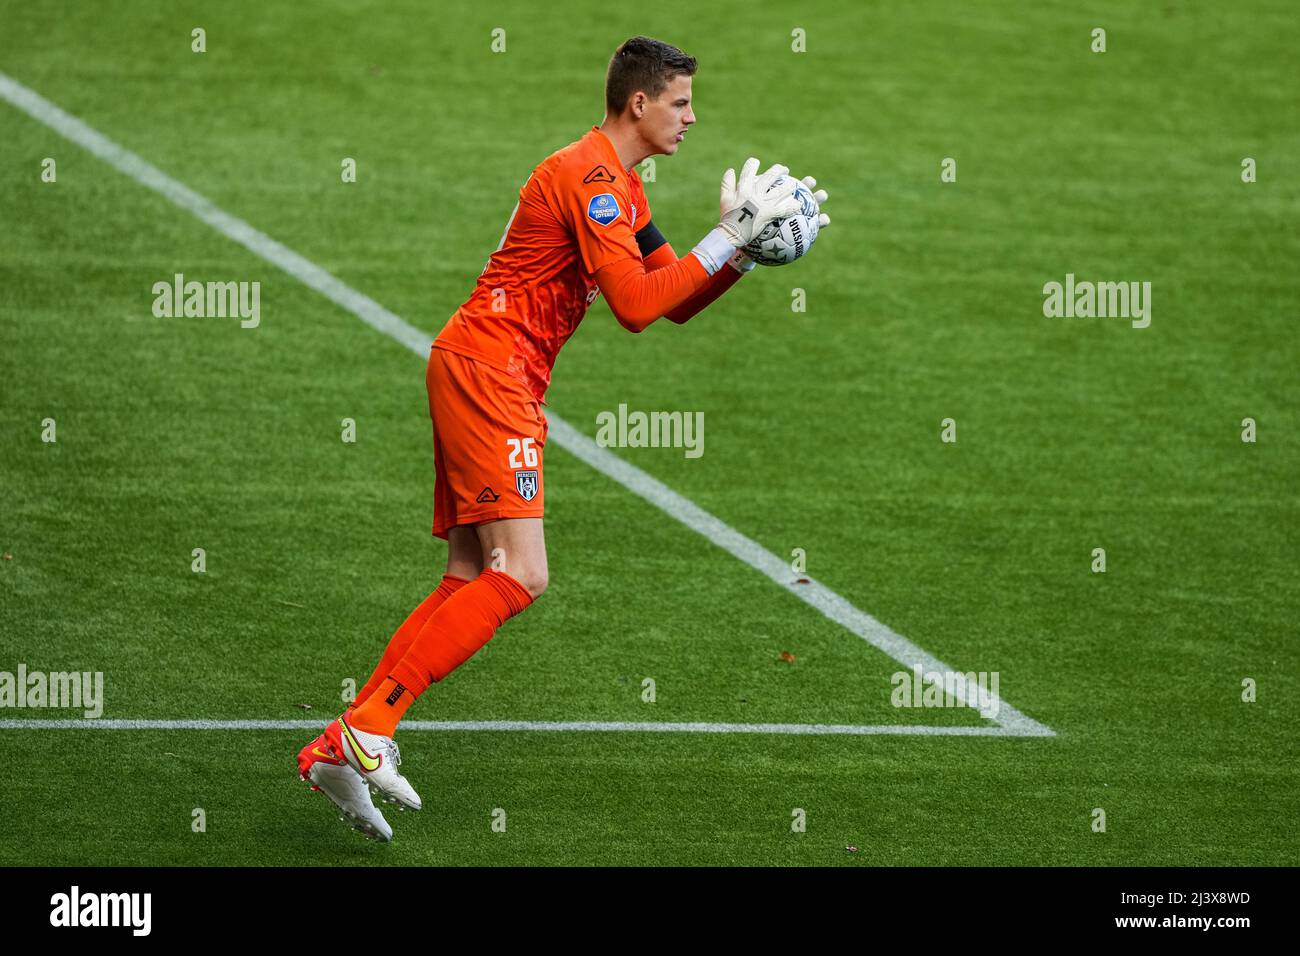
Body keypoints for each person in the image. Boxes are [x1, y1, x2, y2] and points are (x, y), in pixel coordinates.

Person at [296, 35, 830, 841]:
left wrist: (737, 253)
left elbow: (670, 297)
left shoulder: (620, 185)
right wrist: (727, 240)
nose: (693, 117)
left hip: (480, 364)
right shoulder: (592, 178)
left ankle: (353, 739)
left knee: (471, 574)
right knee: (522, 574)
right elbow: (635, 307)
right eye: (680, 102)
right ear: (639, 103)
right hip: (492, 370)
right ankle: (367, 731)